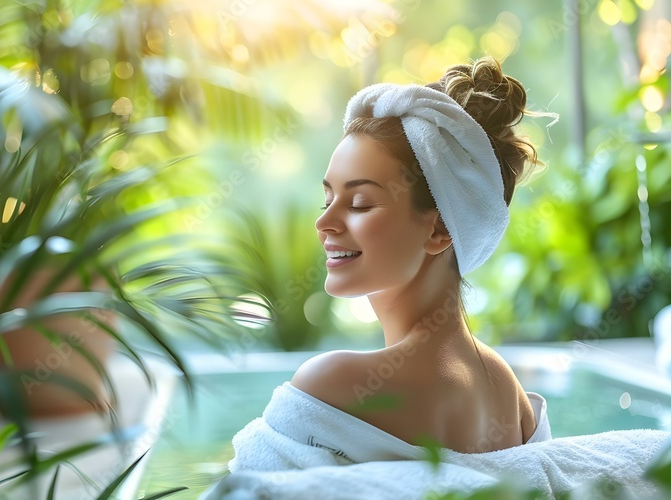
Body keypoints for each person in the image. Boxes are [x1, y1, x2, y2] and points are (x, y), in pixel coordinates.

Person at [231, 57, 555, 470]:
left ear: (439, 229)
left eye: (360, 203)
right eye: (327, 199)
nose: (324, 223)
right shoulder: (507, 391)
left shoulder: (330, 385)